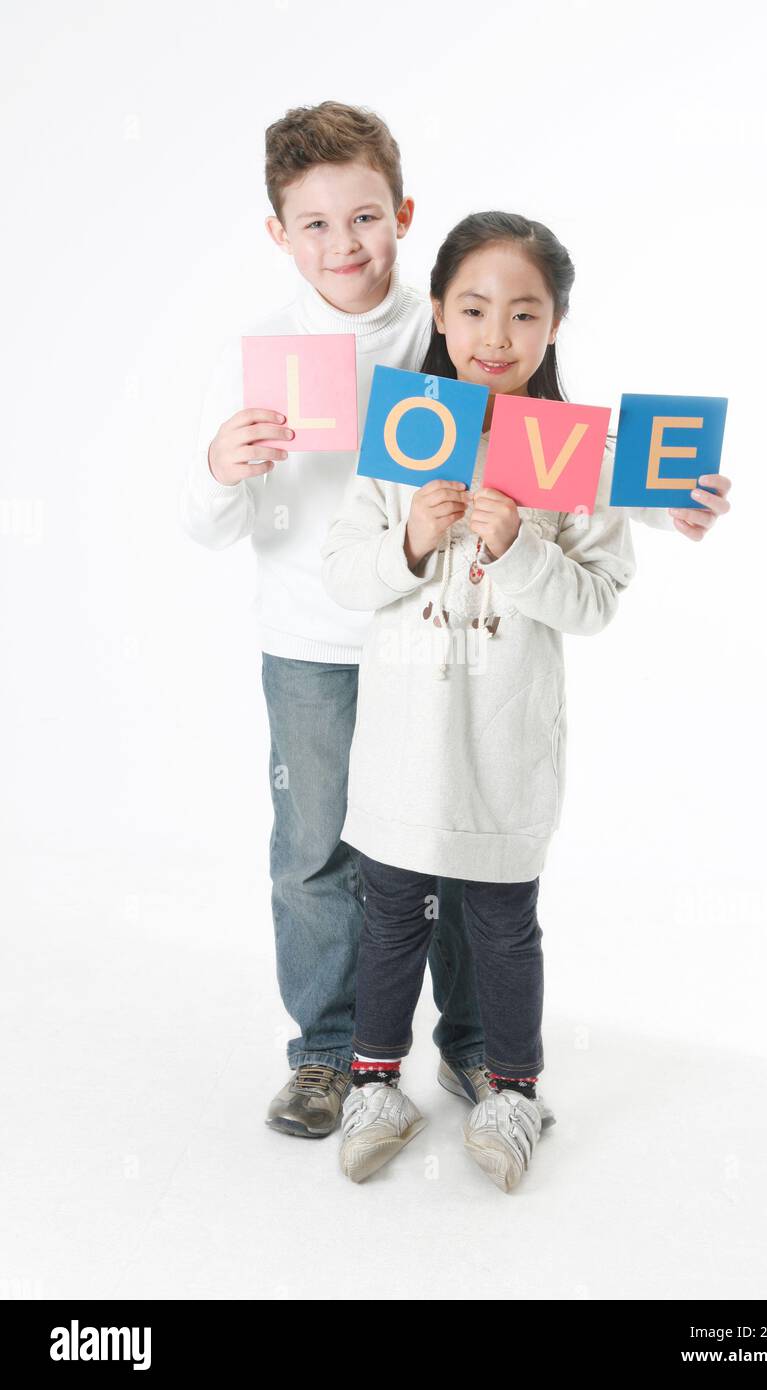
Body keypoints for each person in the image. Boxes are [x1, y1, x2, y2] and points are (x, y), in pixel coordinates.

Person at [178, 101, 490, 1138]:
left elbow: (532, 445)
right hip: (308, 646)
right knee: (314, 852)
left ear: (401, 213)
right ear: (278, 234)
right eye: (313, 224)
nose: (342, 243)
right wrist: (221, 469)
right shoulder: (259, 349)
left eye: (363, 217)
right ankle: (325, 1053)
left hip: (426, 634)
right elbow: (207, 521)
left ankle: (471, 1044)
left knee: (446, 847)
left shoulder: (445, 331)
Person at [322, 211, 641, 1192]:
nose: (493, 335)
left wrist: (520, 549)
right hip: (402, 742)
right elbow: (342, 575)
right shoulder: (398, 434)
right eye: (471, 308)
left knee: (502, 921)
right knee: (389, 916)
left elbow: (595, 603)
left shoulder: (582, 457)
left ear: (553, 326)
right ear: (438, 312)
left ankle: (512, 1087)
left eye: (521, 312)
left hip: (503, 742)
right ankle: (374, 1081)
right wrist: (410, 541)